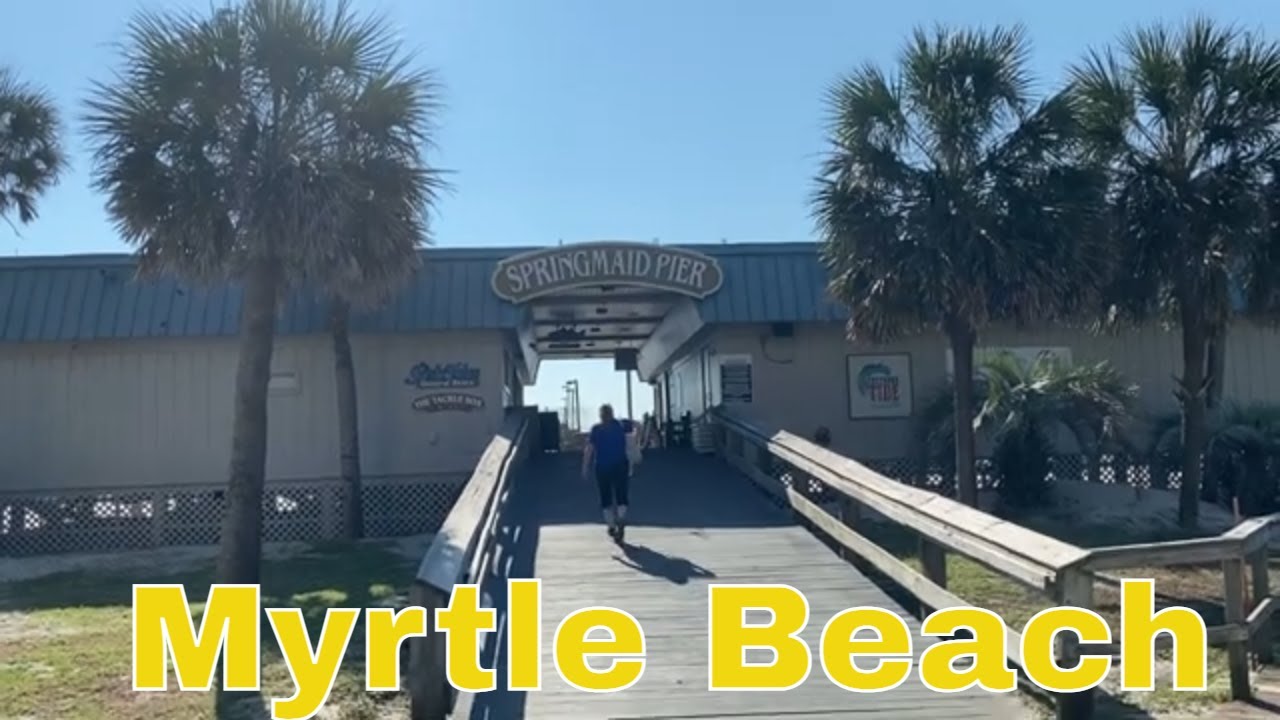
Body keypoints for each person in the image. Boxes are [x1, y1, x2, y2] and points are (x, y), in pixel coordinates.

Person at [583, 403, 630, 542]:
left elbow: (589, 449)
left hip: (602, 467)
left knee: (606, 498)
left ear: (600, 415)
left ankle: (611, 526)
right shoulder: (621, 426)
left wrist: (585, 467)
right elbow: (637, 427)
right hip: (621, 465)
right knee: (622, 495)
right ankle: (621, 519)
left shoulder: (596, 430)